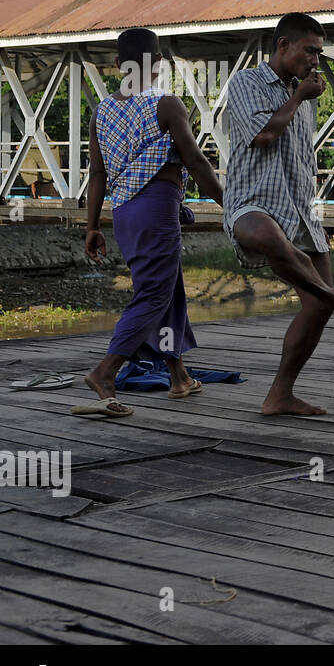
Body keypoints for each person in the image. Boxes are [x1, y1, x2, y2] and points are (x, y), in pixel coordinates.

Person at [224, 12, 334, 415]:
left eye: (319, 53)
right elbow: (264, 135)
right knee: (271, 238)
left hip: (300, 209)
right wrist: (298, 98)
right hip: (251, 202)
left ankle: (280, 394)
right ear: (283, 45)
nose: (315, 60)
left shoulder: (303, 95)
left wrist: (300, 97)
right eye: (309, 51)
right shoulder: (247, 82)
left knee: (316, 309)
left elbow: (302, 159)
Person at [75, 28, 225, 418]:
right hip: (156, 208)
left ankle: (178, 376)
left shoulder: (102, 111)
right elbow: (194, 160)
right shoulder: (166, 104)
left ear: (117, 65)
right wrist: (229, 200)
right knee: (154, 295)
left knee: (167, 290)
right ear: (157, 63)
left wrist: (92, 227)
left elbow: (97, 174)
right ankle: (105, 372)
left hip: (123, 213)